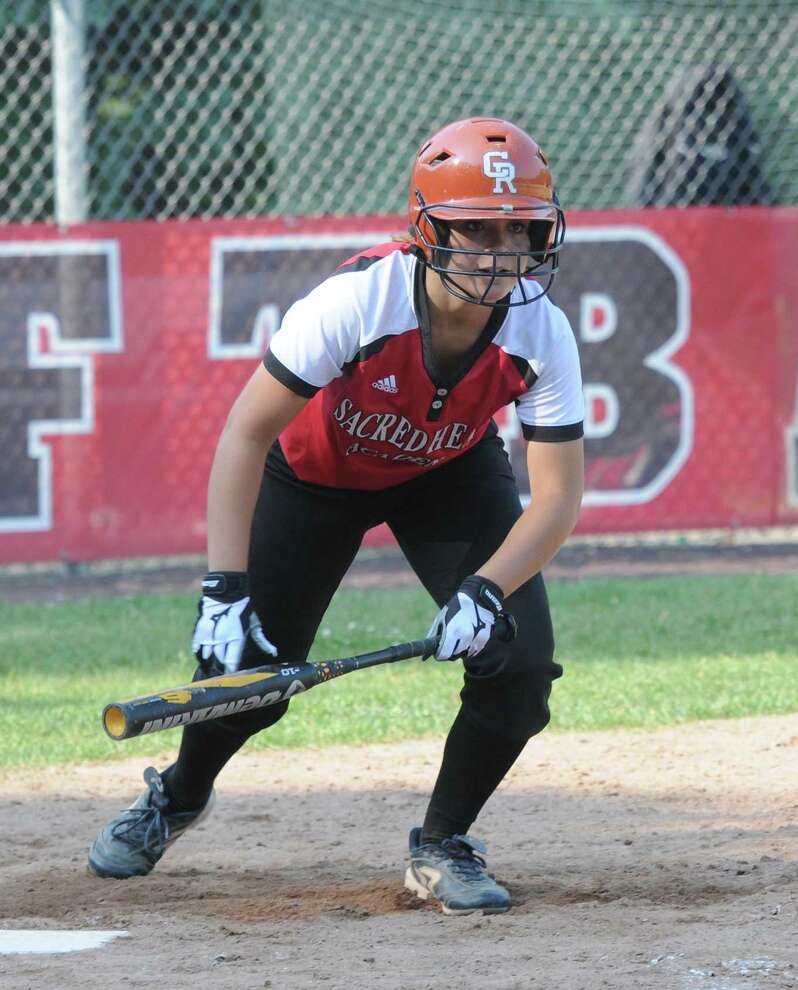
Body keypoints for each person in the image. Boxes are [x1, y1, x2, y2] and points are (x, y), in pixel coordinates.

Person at [87, 117, 585, 916]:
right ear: (428, 231)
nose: (501, 252)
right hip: (313, 477)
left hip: (447, 473)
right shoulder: (359, 300)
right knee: (246, 679)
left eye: (519, 229)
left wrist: (487, 590)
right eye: (475, 229)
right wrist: (224, 586)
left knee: (520, 664)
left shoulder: (542, 332)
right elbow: (245, 433)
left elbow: (558, 498)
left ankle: (443, 843)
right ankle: (179, 795)